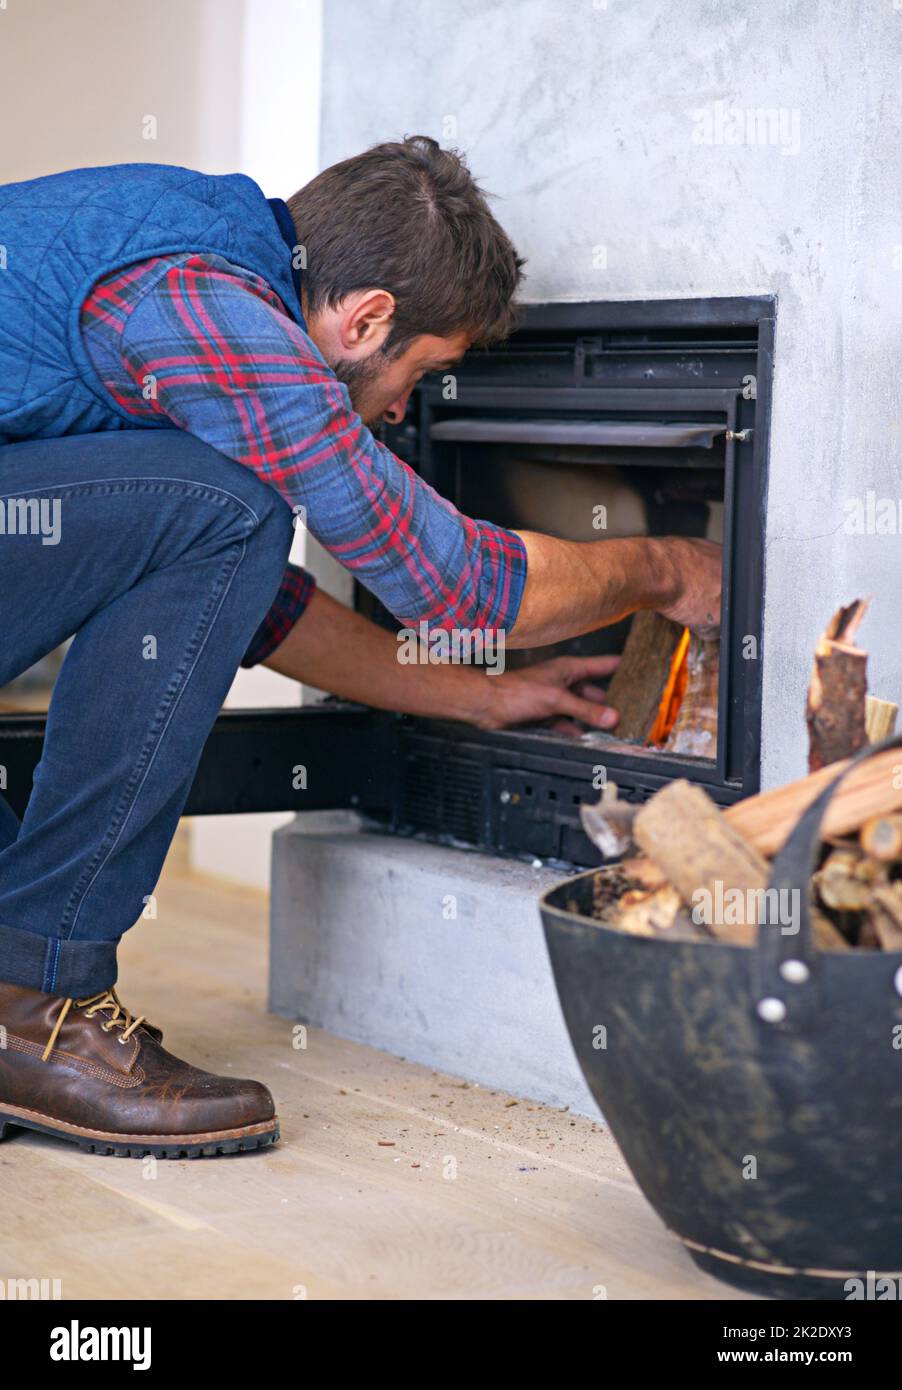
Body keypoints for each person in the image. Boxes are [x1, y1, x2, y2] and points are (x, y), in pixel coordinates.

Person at [0, 138, 720, 1157]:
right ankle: (39, 1004)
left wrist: (478, 699)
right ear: (367, 317)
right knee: (231, 506)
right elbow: (453, 585)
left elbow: (235, 600)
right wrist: (663, 566)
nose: (398, 413)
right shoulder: (209, 303)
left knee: (216, 515)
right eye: (420, 374)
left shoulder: (194, 253)